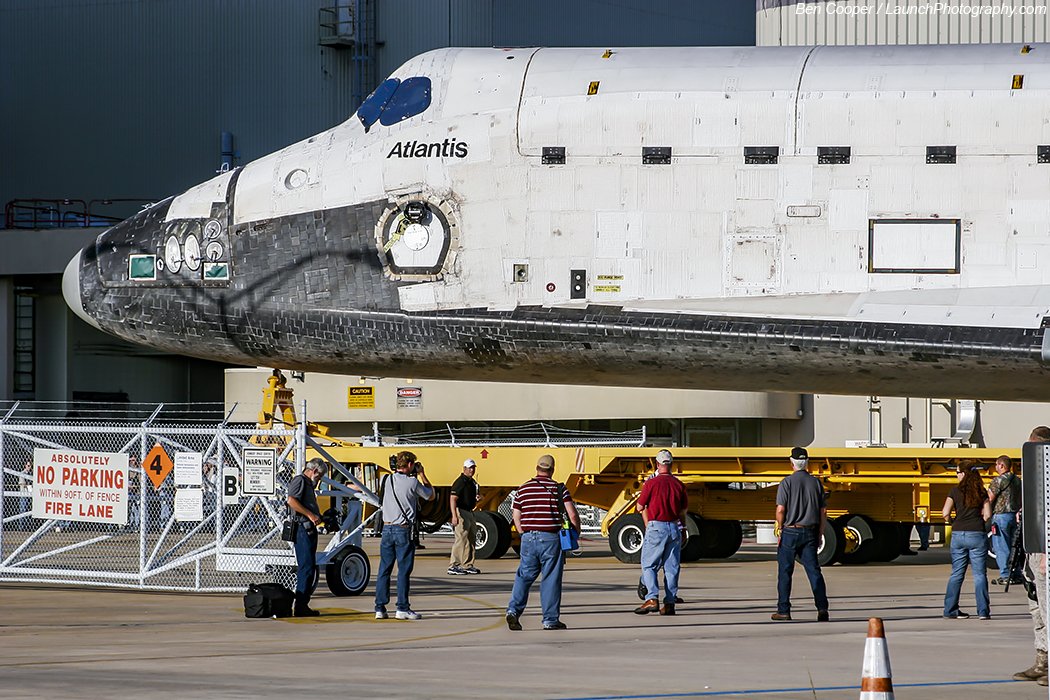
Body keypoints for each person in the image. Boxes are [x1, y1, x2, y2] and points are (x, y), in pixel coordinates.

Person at [506, 454, 581, 631]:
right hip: (551, 538)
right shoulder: (558, 489)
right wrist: (575, 533)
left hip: (528, 538)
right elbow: (572, 514)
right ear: (552, 470)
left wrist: (523, 532)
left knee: (524, 576)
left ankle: (513, 610)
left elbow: (516, 515)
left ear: (537, 468)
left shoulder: (523, 489)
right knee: (550, 579)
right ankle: (550, 619)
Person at [374, 450, 434, 621]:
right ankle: (402, 607)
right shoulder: (413, 482)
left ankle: (380, 607)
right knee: (403, 571)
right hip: (403, 529)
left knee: (384, 569)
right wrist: (422, 473)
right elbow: (431, 495)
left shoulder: (386, 480)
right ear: (409, 465)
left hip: (387, 528)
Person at [771, 446, 830, 622]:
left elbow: (781, 509)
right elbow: (823, 512)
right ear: (807, 463)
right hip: (810, 531)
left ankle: (784, 610)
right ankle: (822, 608)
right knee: (814, 571)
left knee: (785, 572)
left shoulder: (786, 483)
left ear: (791, 463)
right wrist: (820, 533)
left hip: (790, 531)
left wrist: (779, 526)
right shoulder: (816, 483)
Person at [1015, 426, 1050, 685]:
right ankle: (1042, 660)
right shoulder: (1034, 477)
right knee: (1036, 607)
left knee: (1048, 609)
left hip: (1044, 552)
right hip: (1032, 550)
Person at [634, 449, 689, 616]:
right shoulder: (679, 484)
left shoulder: (651, 483)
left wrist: (647, 523)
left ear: (657, 464)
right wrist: (684, 529)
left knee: (649, 565)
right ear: (671, 465)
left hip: (656, 526)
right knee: (672, 567)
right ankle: (670, 603)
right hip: (674, 527)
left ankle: (652, 598)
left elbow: (639, 506)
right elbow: (683, 511)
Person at [941, 459, 991, 620]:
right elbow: (988, 514)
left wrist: (952, 522)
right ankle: (983, 612)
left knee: (956, 573)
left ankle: (950, 610)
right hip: (976, 534)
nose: (956, 476)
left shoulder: (954, 491)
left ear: (963, 474)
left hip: (958, 534)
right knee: (979, 575)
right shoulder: (981, 491)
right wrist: (978, 522)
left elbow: (945, 513)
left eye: (957, 473)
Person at [286, 457, 328, 617]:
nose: (319, 480)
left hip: (308, 529)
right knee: (306, 567)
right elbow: (291, 501)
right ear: (314, 471)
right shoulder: (300, 481)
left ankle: (302, 604)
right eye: (319, 476)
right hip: (302, 529)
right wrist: (311, 515)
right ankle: (301, 605)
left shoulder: (307, 484)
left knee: (309, 567)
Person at [987, 454, 1022, 584]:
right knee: (1015, 546)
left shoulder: (998, 480)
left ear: (1002, 465)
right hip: (1014, 516)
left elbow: (990, 498)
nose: (995, 467)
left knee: (1001, 546)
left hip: (1000, 516)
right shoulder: (1018, 480)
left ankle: (1005, 575)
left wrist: (984, 512)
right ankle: (1017, 573)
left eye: (996, 464)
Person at [448, 458, 481, 576]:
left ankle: (467, 564)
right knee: (461, 539)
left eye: (473, 468)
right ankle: (454, 565)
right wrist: (454, 515)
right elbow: (453, 499)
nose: (471, 470)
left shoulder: (472, 482)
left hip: (469, 511)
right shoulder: (460, 482)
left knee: (471, 539)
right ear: (464, 469)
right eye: (469, 468)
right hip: (461, 511)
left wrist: (476, 499)